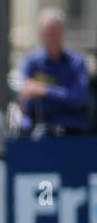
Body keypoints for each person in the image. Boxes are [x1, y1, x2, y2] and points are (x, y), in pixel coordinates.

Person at [10, 8, 90, 136]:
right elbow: (26, 99)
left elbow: (78, 99)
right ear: (41, 35)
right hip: (39, 134)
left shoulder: (76, 63)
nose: (53, 38)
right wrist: (61, 97)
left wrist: (43, 90)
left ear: (63, 34)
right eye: (48, 33)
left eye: (56, 33)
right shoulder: (31, 62)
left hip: (72, 133)